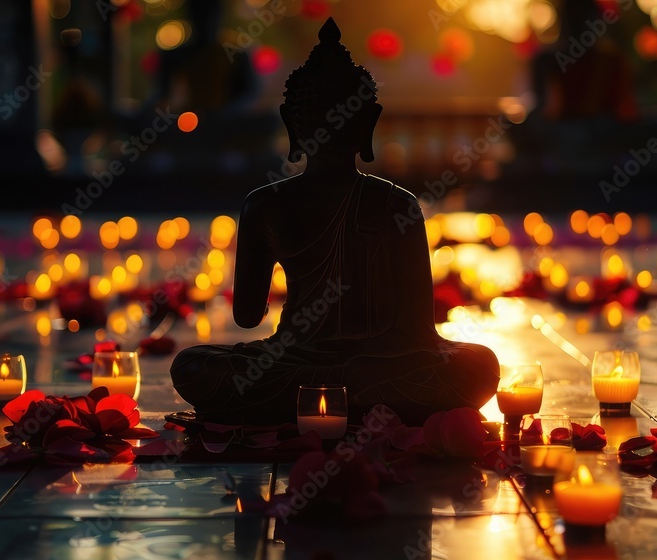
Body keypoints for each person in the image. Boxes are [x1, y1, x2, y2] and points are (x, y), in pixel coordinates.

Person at [170, 18, 500, 426]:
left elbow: (247, 316)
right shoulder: (399, 204)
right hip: (379, 372)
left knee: (193, 366)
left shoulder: (265, 204)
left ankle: (307, 401)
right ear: (368, 124)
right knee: (477, 368)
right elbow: (417, 334)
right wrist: (357, 370)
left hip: (295, 369)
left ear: (293, 125)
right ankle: (363, 400)